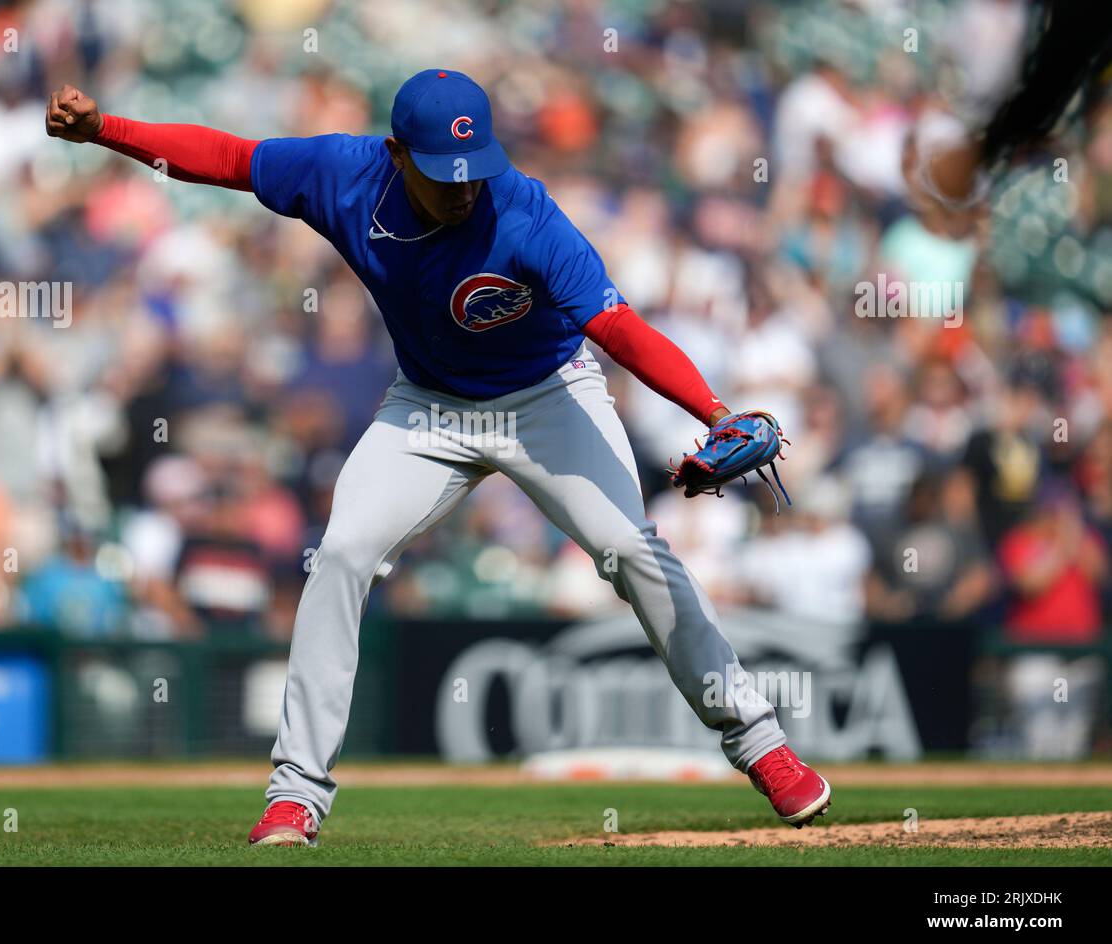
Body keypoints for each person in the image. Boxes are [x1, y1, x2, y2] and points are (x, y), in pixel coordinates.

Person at [46, 69, 831, 846]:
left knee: (631, 546)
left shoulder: (526, 215)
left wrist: (715, 412)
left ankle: (761, 744)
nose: (463, 188)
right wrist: (107, 129)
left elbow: (619, 329)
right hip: (427, 408)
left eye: (473, 167)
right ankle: (295, 796)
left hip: (548, 395)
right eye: (443, 172)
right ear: (396, 154)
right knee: (341, 554)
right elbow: (227, 158)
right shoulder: (341, 173)